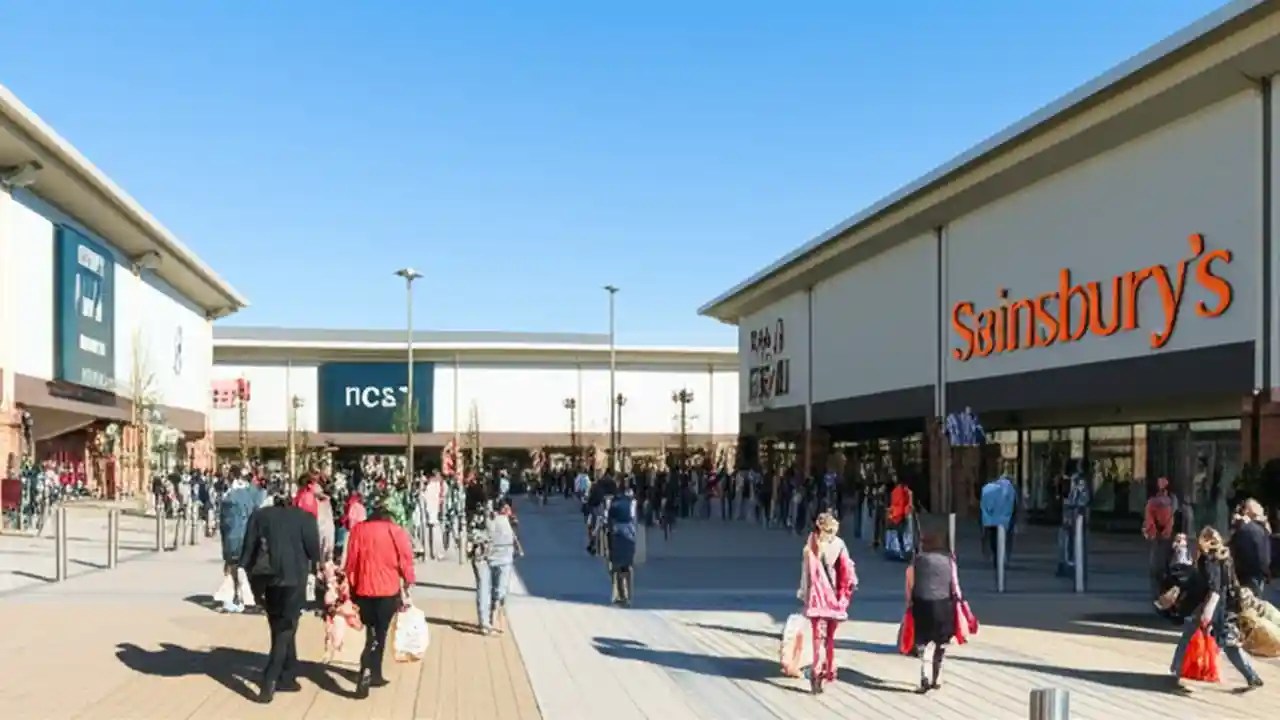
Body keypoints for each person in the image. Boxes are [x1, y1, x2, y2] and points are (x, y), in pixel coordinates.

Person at [238, 493, 322, 703]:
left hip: (266, 579)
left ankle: (290, 672)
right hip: (294, 578)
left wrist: (246, 577)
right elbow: (314, 551)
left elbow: (248, 549)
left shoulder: (259, 516)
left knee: (279, 623)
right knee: (286, 628)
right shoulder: (305, 518)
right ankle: (270, 679)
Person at [1169, 527, 1263, 692]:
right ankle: (1251, 675)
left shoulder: (1209, 560)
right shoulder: (1225, 558)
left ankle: (1177, 671)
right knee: (1230, 645)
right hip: (1227, 608)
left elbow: (1215, 589)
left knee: (1188, 637)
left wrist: (1207, 613)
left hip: (1211, 608)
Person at [343, 489, 416, 699]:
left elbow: (352, 561)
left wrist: (350, 583)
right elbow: (405, 558)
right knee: (381, 631)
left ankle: (371, 668)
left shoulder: (359, 531)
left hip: (363, 587)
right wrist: (409, 580)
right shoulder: (395, 531)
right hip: (387, 588)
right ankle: (371, 670)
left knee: (371, 630)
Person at [796, 512, 857, 694]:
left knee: (817, 637)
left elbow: (806, 571)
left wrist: (804, 593)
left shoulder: (812, 542)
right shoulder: (839, 544)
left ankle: (816, 670)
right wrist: (848, 589)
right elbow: (847, 568)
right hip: (834, 596)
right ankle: (829, 668)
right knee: (830, 636)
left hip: (816, 596)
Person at [905, 532, 958, 693]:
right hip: (944, 606)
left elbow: (910, 584)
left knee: (924, 644)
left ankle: (925, 678)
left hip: (922, 605)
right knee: (941, 644)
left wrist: (909, 603)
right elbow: (955, 587)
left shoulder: (917, 561)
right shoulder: (949, 561)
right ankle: (938, 678)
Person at [484, 497, 523, 633]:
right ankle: (494, 616)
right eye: (505, 508)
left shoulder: (509, 520)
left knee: (500, 589)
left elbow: (516, 536)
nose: (507, 511)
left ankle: (496, 617)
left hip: (503, 559)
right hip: (496, 558)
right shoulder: (495, 520)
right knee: (497, 589)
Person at [1229, 499, 1272, 598]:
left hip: (1246, 573)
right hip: (1255, 573)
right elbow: (1264, 555)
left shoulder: (1247, 529)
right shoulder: (1260, 529)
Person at [1143, 477, 1179, 597]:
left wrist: (1151, 532)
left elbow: (1149, 520)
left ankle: (1157, 590)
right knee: (1167, 562)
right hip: (1167, 536)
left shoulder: (1152, 502)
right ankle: (1166, 589)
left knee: (1156, 564)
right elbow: (1172, 519)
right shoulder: (1172, 501)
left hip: (1156, 536)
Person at [607, 482, 639, 607]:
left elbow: (609, 521)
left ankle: (620, 595)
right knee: (628, 566)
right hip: (630, 536)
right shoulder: (632, 503)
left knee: (617, 568)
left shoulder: (613, 504)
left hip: (617, 536)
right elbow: (634, 520)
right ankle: (629, 596)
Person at [979, 471, 1017, 568]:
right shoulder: (1010, 489)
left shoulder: (988, 488)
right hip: (1005, 519)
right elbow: (1014, 505)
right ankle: (1003, 557)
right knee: (1006, 539)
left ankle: (995, 555)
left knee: (992, 537)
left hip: (990, 519)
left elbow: (984, 504)